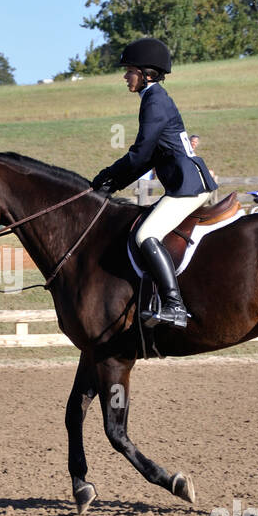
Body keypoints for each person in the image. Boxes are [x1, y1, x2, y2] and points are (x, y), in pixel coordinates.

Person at [91, 37, 217, 328]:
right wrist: (113, 183)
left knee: (145, 234)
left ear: (147, 72)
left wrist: (107, 175)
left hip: (188, 187)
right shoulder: (153, 99)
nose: (125, 76)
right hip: (183, 184)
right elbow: (147, 158)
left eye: (130, 70)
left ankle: (174, 304)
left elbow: (140, 154)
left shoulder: (155, 102)